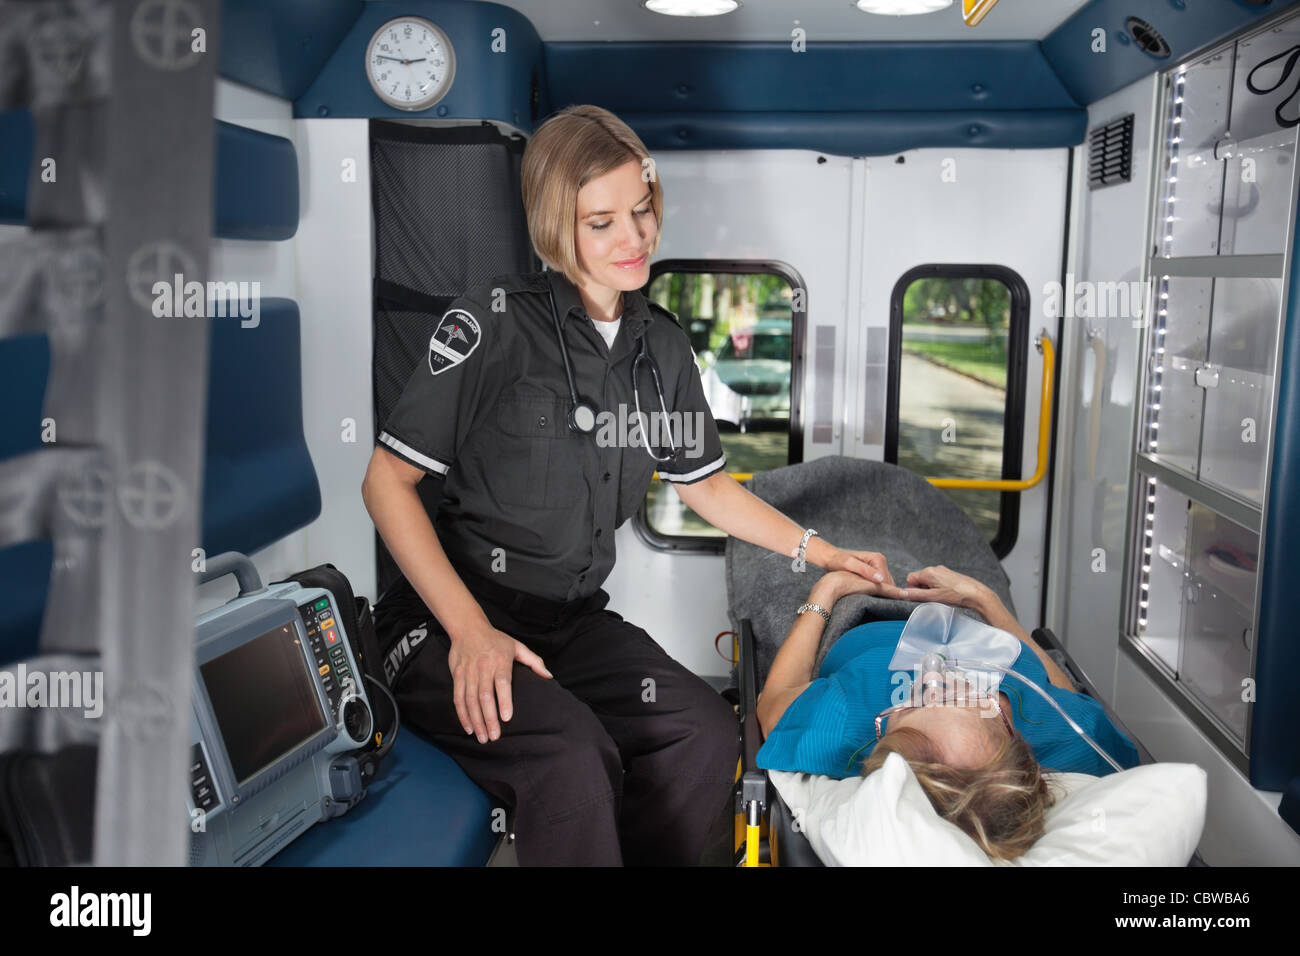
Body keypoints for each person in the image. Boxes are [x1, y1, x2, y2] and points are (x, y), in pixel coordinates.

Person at [361, 104, 894, 866]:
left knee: (706, 733)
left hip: (571, 625)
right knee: (573, 761)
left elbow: (706, 488)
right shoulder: (491, 325)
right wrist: (472, 634)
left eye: (641, 212)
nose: (634, 238)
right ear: (556, 228)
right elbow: (386, 482)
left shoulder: (663, 347)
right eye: (602, 221)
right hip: (451, 620)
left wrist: (822, 552)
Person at [755, 565, 1141, 860]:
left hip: (858, 608)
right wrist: (983, 599)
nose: (934, 674)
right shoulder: (1076, 739)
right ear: (1015, 739)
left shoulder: (845, 724)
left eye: (912, 702)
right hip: (968, 601)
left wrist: (828, 589)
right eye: (960, 698)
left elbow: (772, 701)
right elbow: (1058, 688)